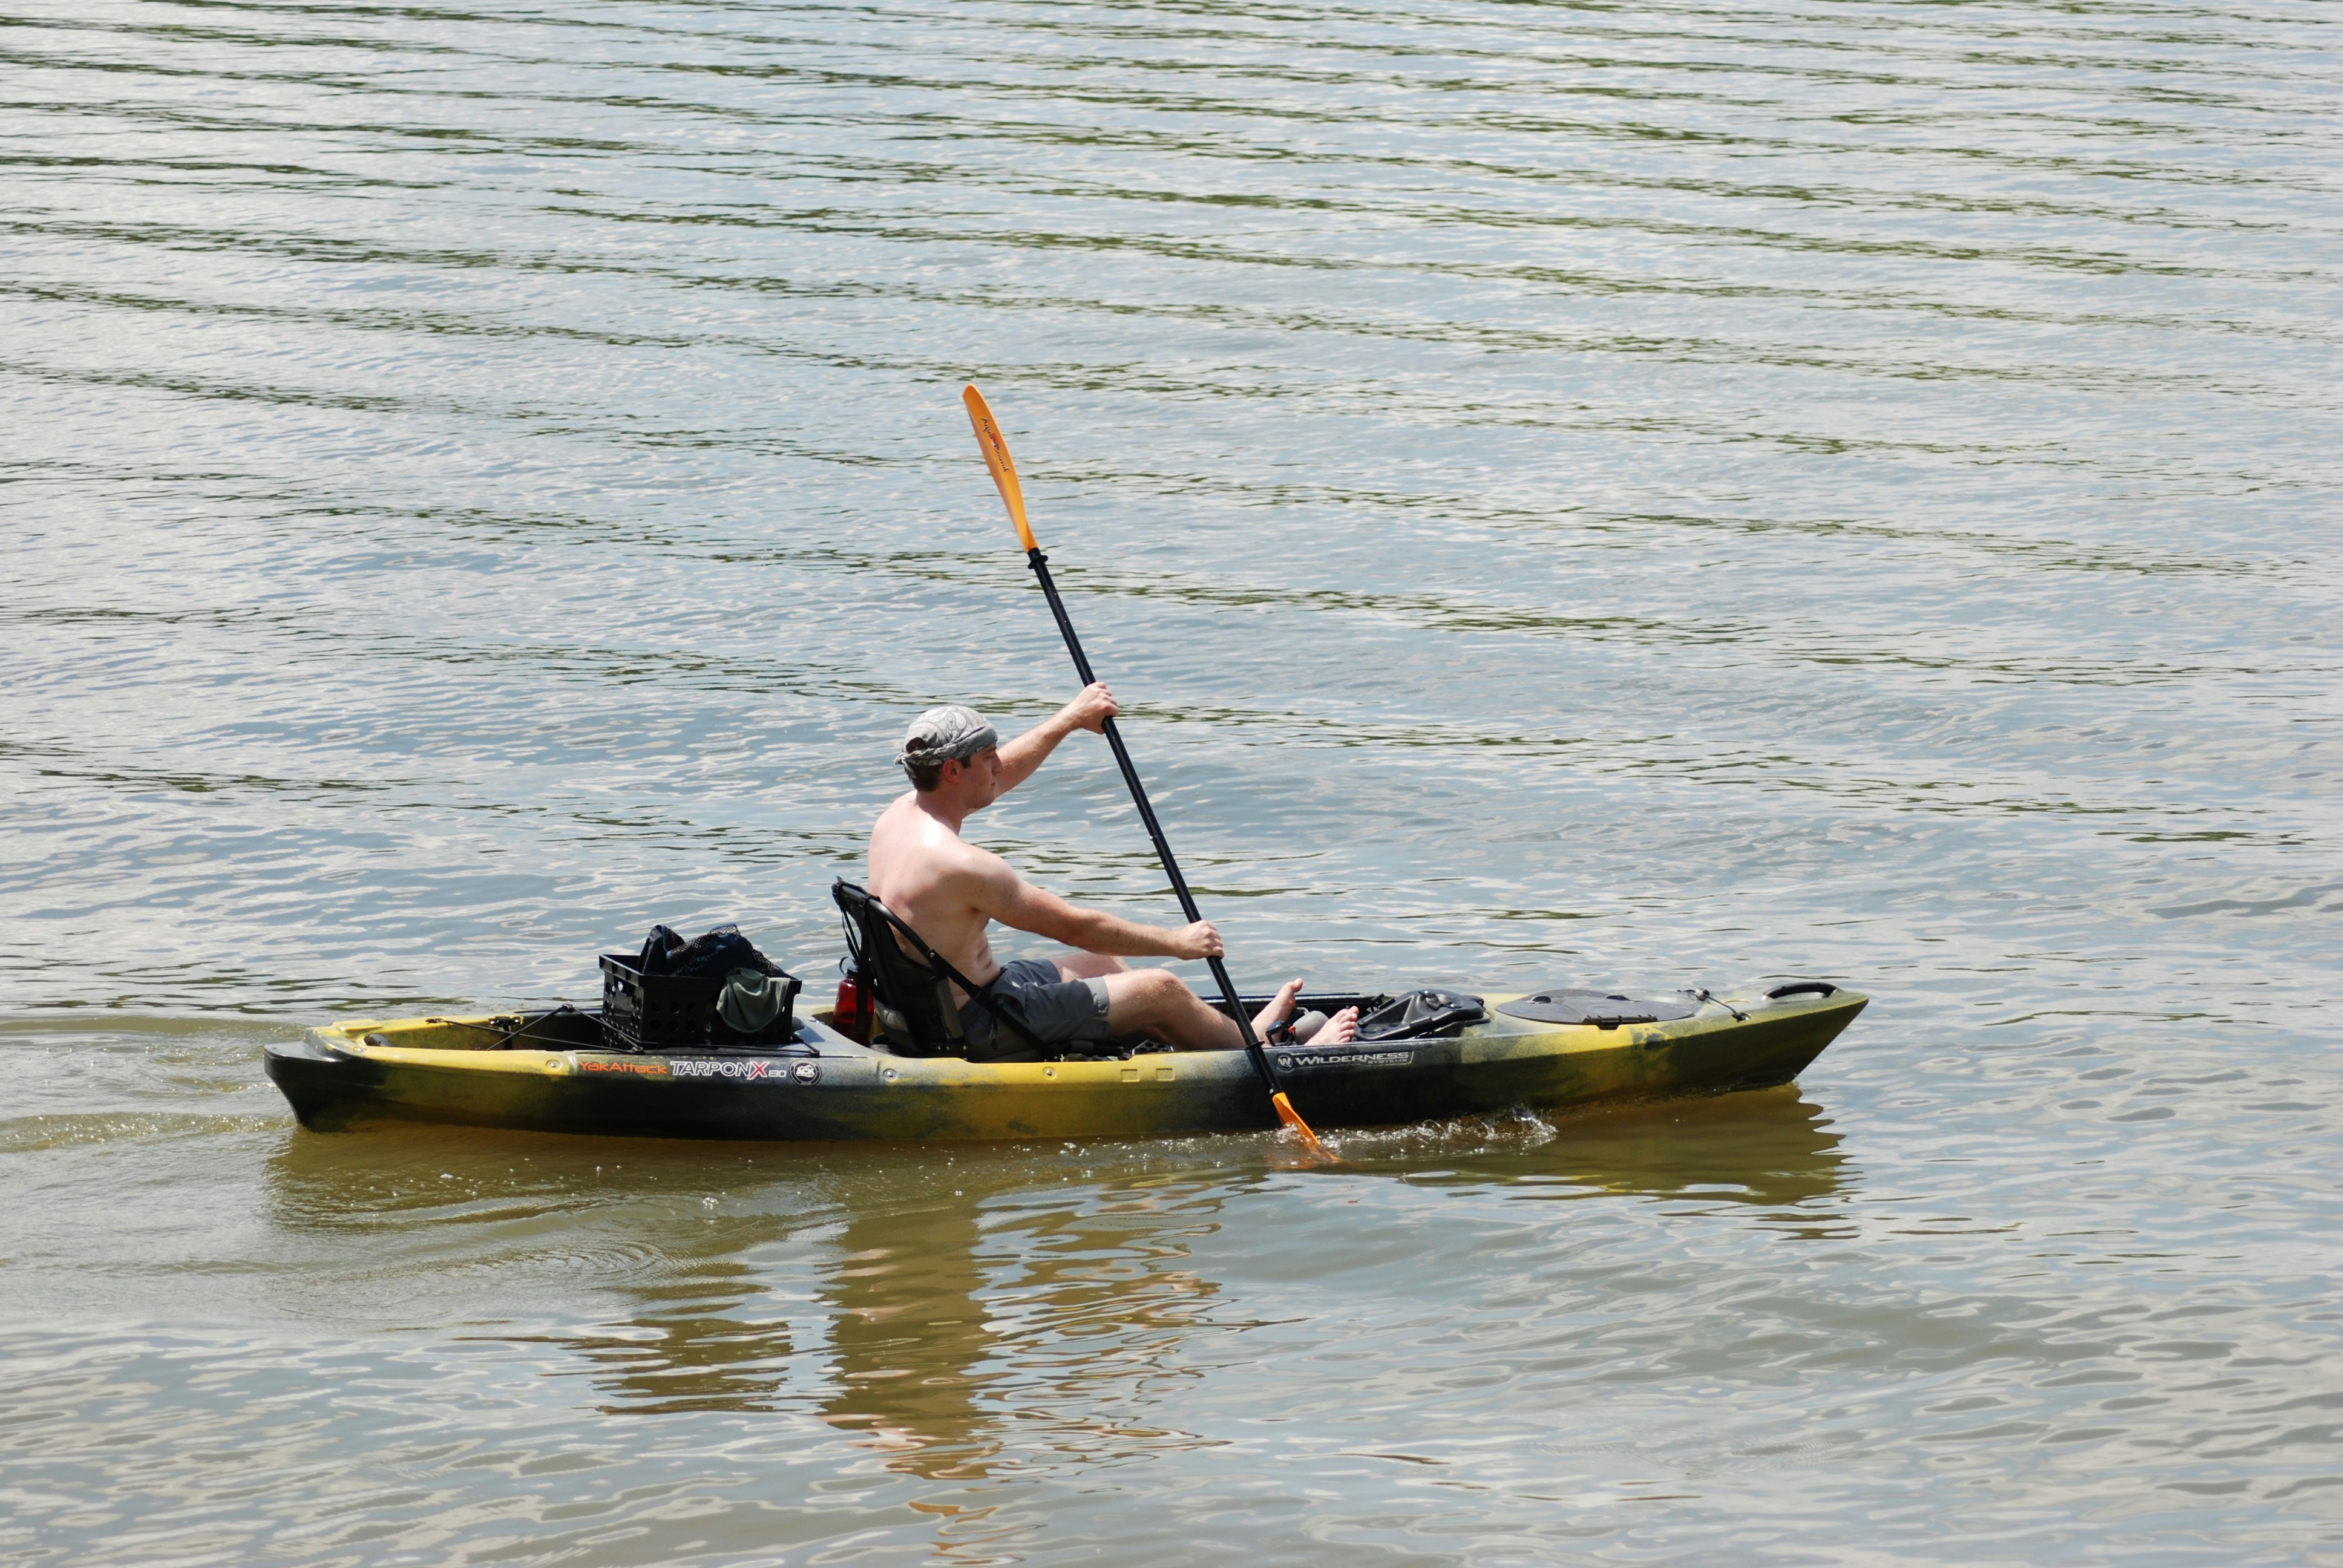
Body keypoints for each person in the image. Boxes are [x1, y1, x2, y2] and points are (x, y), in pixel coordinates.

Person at [866, 688, 1360, 1057]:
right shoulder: (961, 865)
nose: (999, 765)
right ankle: (1258, 1048)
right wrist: (1177, 942)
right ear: (953, 771)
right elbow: (1076, 925)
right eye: (987, 758)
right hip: (978, 1024)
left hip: (940, 1004)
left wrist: (1070, 720)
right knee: (1159, 988)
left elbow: (1001, 775)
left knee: (1099, 964)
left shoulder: (900, 817)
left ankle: (1190, 1040)